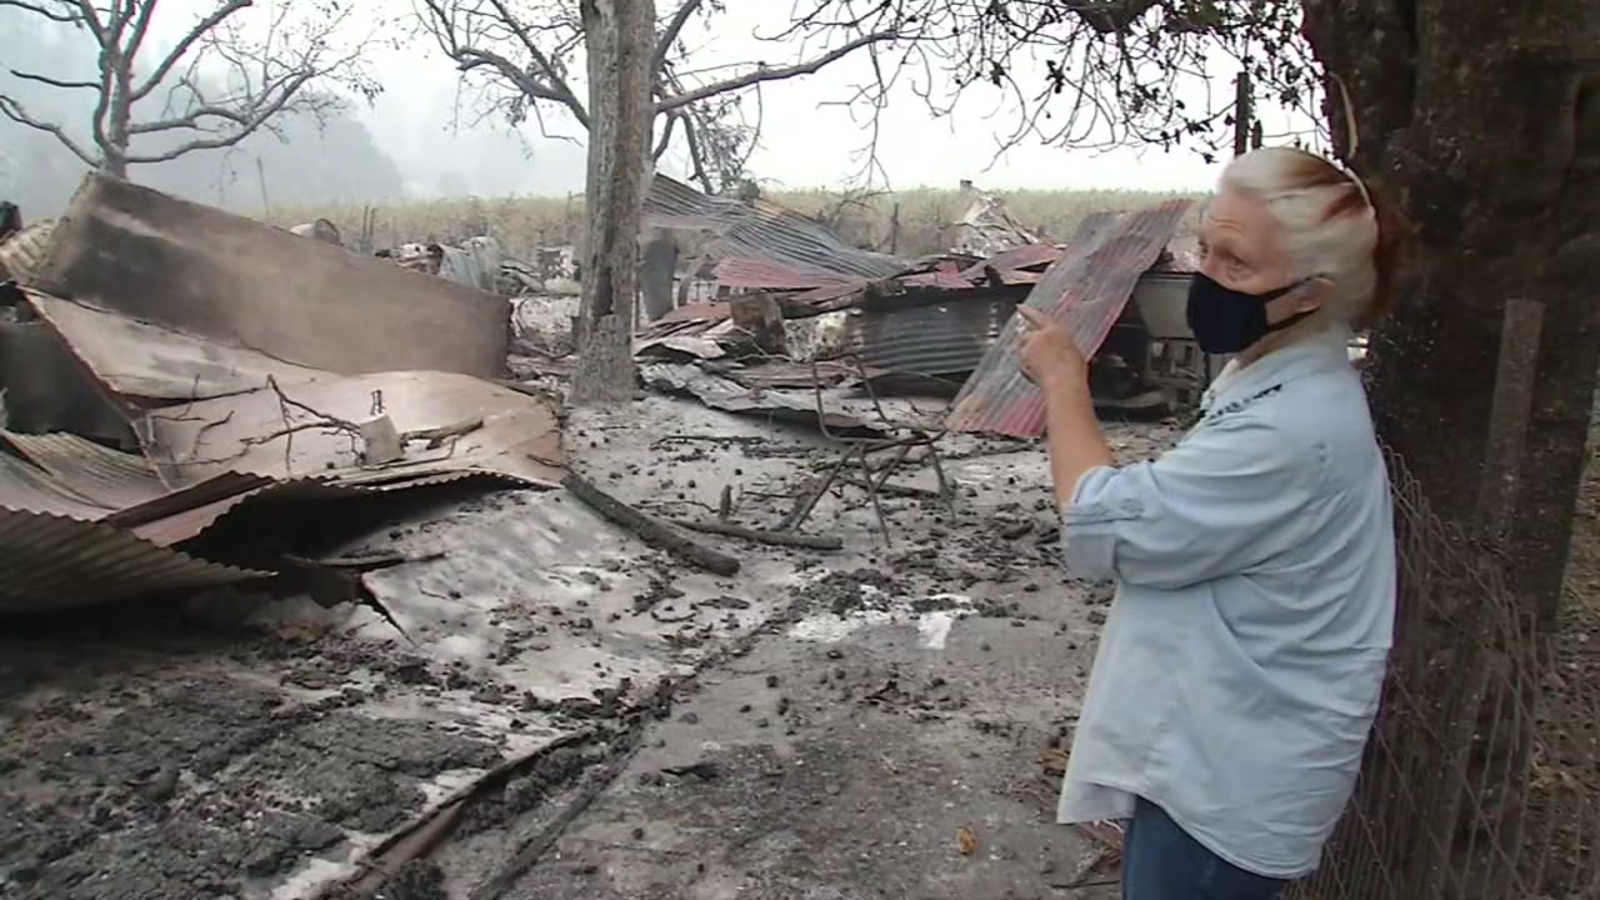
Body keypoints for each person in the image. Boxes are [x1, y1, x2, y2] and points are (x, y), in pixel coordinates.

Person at [1017, 146, 1408, 900]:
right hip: (1215, 741)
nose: (1207, 274)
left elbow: (1106, 527)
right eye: (1208, 246)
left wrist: (1065, 382)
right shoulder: (1272, 374)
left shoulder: (1294, 428)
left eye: (1237, 265)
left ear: (1310, 294)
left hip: (1227, 778)